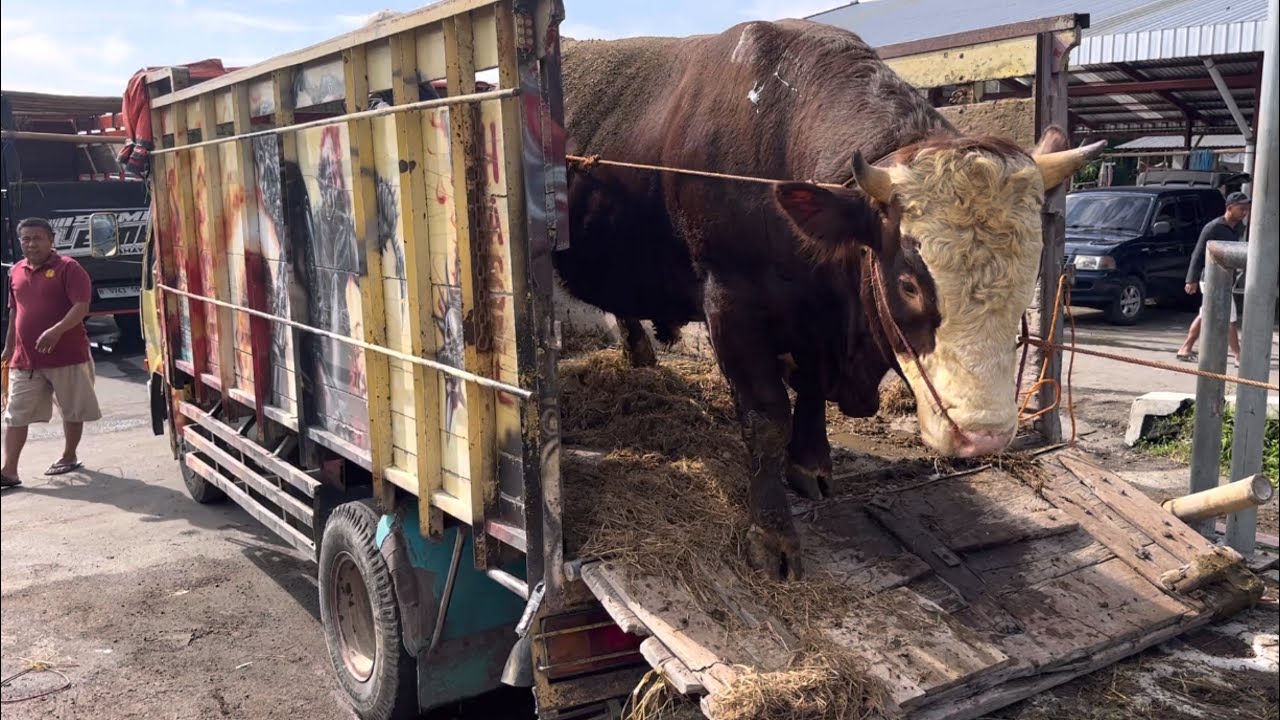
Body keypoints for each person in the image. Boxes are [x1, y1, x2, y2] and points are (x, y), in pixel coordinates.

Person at [1, 217, 102, 488]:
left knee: (72, 410)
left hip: (67, 355)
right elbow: (15, 312)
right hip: (26, 359)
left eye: (37, 238)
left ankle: (69, 456)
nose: (31, 243)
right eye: (26, 239)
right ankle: (9, 471)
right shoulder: (16, 271)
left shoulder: (69, 268)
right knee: (15, 414)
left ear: (51, 240)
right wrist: (9, 347)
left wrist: (56, 331)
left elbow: (81, 307)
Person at [1176, 191, 1251, 365]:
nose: (1244, 213)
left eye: (1246, 209)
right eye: (1242, 209)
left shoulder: (1239, 227)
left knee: (1206, 313)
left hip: (1227, 277)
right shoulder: (1213, 227)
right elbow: (1198, 253)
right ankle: (1238, 355)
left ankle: (1185, 348)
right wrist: (1191, 279)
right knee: (1229, 316)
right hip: (1210, 278)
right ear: (1230, 208)